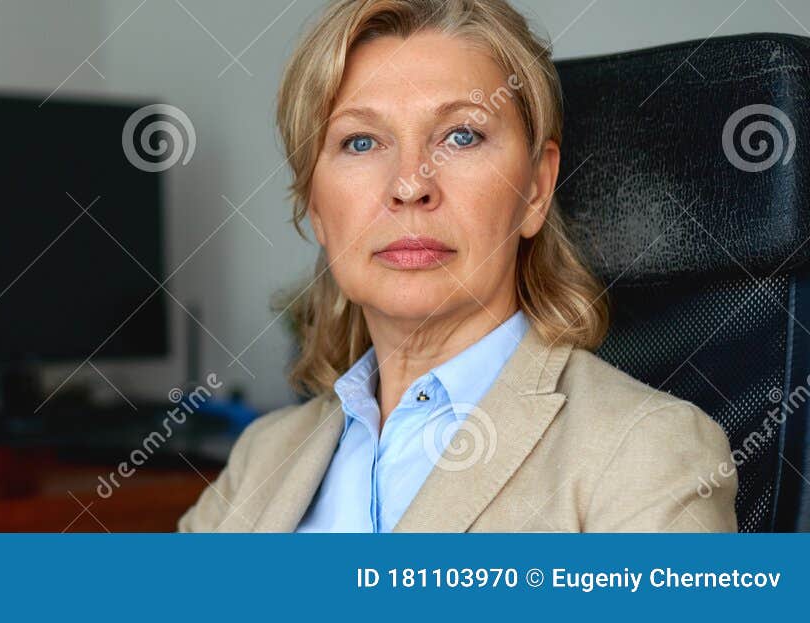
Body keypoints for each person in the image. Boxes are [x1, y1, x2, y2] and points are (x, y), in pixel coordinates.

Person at [178, 0, 736, 532]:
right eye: (361, 141)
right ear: (316, 208)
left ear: (535, 191)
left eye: (462, 135)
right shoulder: (262, 457)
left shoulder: (648, 451)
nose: (410, 184)